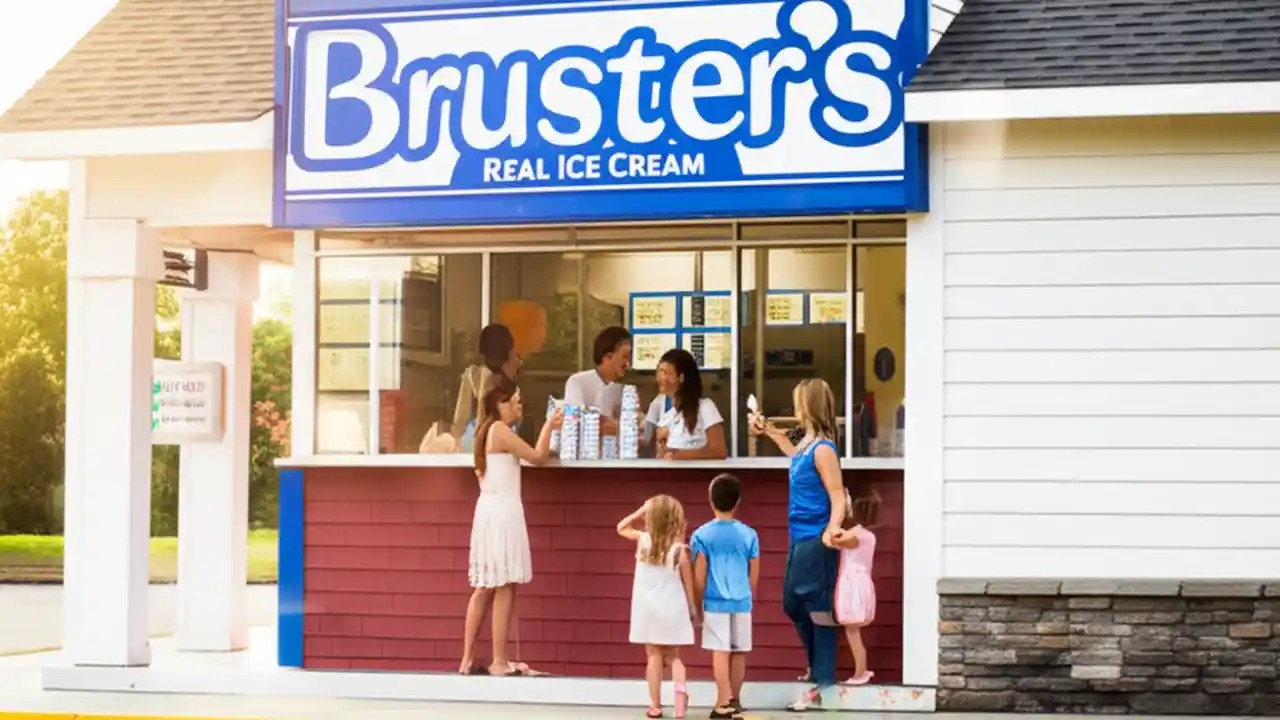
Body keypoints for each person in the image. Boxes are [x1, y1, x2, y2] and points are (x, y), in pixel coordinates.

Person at [749, 379, 846, 712]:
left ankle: (822, 681)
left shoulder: (823, 449)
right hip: (798, 536)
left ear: (810, 405)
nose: (796, 408)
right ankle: (817, 669)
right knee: (793, 603)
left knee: (818, 608)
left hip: (816, 536)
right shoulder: (807, 443)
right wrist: (767, 429)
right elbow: (790, 446)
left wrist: (832, 528)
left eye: (798, 402)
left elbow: (837, 494)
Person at [459, 375, 561, 677]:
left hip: (489, 511)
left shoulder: (486, 431)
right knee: (503, 586)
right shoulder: (501, 430)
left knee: (484, 587)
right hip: (502, 513)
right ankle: (499, 661)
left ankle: (466, 659)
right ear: (500, 403)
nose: (520, 403)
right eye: (515, 399)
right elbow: (538, 457)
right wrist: (549, 426)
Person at [617, 496, 697, 719]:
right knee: (674, 656)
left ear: (650, 518)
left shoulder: (643, 540)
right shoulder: (680, 550)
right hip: (672, 607)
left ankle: (656, 705)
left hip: (647, 609)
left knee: (653, 655)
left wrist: (639, 511)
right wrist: (692, 608)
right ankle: (679, 692)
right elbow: (688, 584)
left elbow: (621, 527)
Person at [691, 473, 759, 720]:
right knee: (739, 650)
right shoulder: (749, 534)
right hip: (742, 601)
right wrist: (748, 597)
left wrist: (697, 603)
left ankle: (723, 701)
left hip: (715, 602)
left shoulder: (701, 535)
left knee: (720, 651)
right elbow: (754, 574)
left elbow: (700, 576)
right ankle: (736, 700)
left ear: (711, 500)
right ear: (737, 501)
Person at [831, 489, 881, 686]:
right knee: (853, 630)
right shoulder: (868, 536)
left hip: (853, 584)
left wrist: (834, 522)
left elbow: (832, 541)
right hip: (860, 581)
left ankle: (861, 672)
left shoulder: (856, 536)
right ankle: (862, 670)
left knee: (852, 630)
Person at [450, 324, 522, 451]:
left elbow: (460, 419)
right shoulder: (493, 380)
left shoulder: (473, 375)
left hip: (469, 446)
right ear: (508, 351)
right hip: (486, 449)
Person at [652, 348, 727, 461]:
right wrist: (662, 447)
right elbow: (661, 458)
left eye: (665, 372)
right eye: (659, 372)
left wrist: (680, 455)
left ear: (681, 377)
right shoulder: (666, 417)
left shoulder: (705, 407)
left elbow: (719, 451)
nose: (660, 378)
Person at [563, 326, 634, 437]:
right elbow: (575, 419)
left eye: (629, 358)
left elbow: (639, 428)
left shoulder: (624, 390)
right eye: (624, 357)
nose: (628, 364)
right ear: (608, 357)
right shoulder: (577, 382)